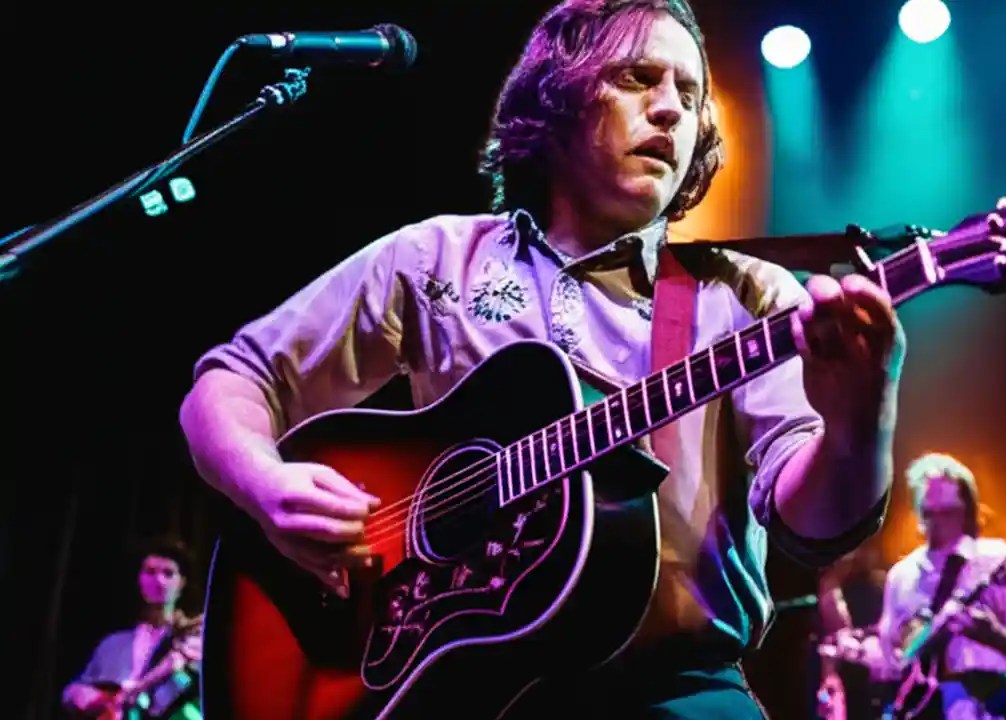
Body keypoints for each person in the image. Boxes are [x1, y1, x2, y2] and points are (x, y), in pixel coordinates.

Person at [178, 0, 907, 715]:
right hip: (451, 693)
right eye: (637, 78)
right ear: (555, 100)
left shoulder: (747, 298)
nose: (671, 110)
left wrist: (859, 421)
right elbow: (232, 381)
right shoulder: (436, 260)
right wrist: (266, 485)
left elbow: (813, 528)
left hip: (677, 692)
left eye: (689, 93)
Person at [876, 453, 1006, 720]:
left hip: (994, 707)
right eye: (929, 513)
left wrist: (995, 635)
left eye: (949, 512)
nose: (937, 524)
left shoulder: (998, 560)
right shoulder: (901, 576)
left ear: (968, 510)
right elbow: (892, 662)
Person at [61, 537, 203, 719]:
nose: (158, 581)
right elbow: (72, 693)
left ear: (182, 582)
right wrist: (97, 698)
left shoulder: (193, 639)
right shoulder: (113, 644)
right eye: (150, 572)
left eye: (168, 573)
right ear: (139, 578)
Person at [813, 547, 891, 720]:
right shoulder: (831, 587)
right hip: (841, 674)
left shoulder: (877, 586)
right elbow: (834, 631)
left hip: (866, 675)